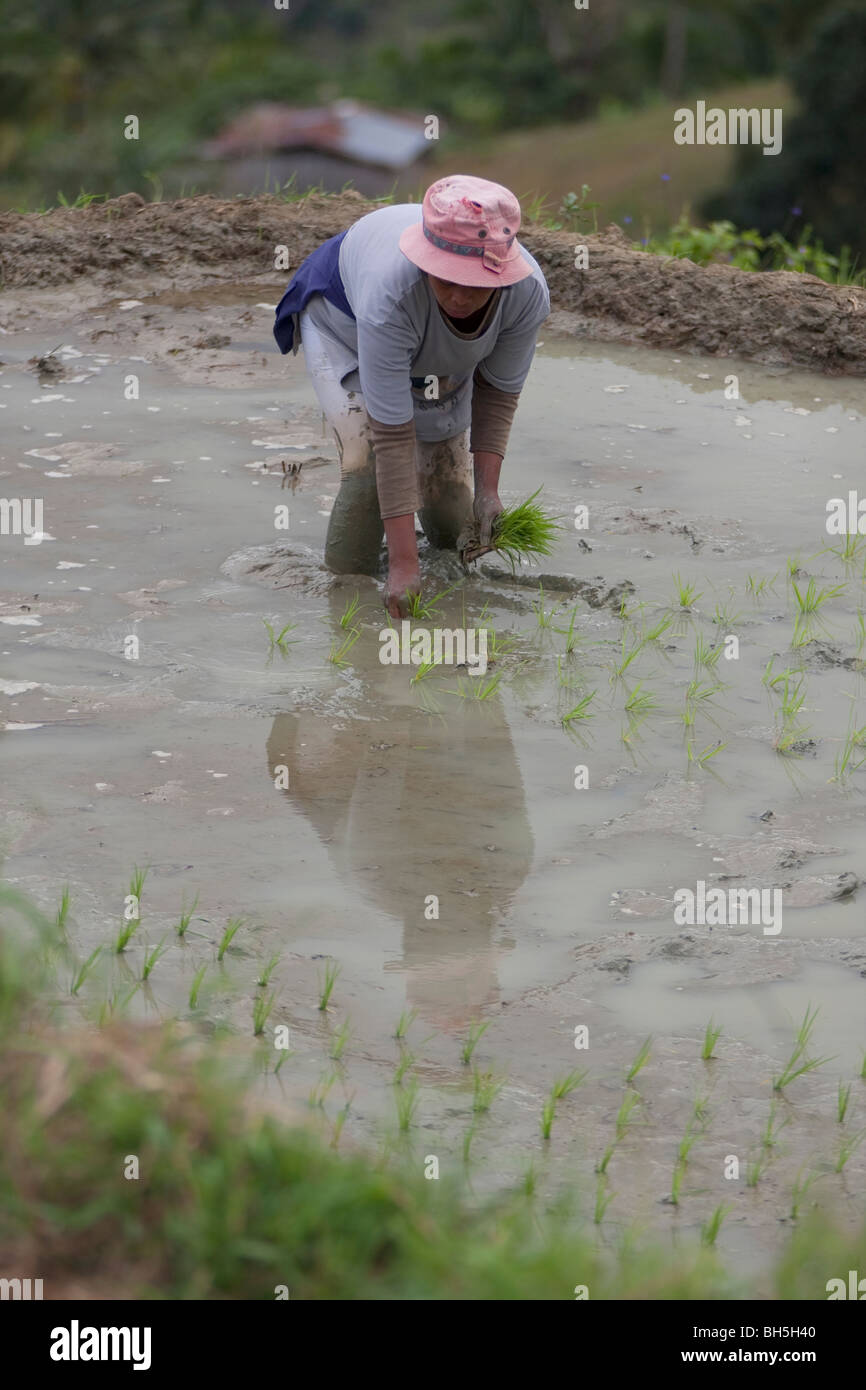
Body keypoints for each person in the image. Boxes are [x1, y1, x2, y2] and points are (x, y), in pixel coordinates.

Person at [274, 174, 550, 617]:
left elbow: (497, 393)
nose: (460, 297)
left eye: (475, 284)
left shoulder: (525, 294)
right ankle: (348, 599)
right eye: (446, 280)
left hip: (435, 350)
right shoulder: (391, 293)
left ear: (501, 272)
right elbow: (394, 434)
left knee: (448, 502)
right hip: (343, 324)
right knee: (367, 470)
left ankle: (455, 595)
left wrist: (489, 492)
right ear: (426, 264)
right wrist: (404, 565)